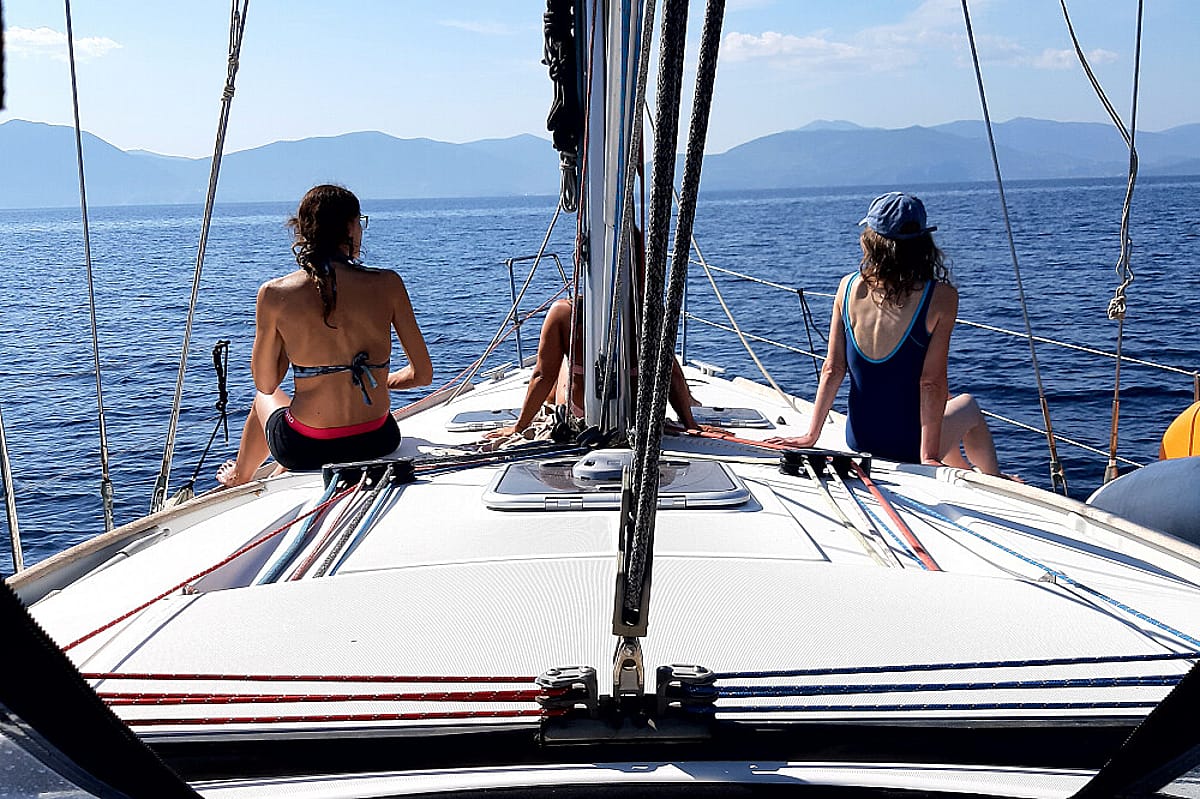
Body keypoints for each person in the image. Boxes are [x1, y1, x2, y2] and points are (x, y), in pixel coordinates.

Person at [217, 184, 432, 486]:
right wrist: (378, 378)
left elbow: (266, 384)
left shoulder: (274, 294)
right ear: (349, 227)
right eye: (360, 223)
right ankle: (274, 471)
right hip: (378, 438)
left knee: (262, 400)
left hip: (306, 448)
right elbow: (422, 375)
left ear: (302, 232)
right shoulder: (388, 284)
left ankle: (240, 475)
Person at [766, 192, 957, 465]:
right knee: (968, 408)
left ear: (871, 240)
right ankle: (993, 476)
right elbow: (931, 383)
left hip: (859, 439)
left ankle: (969, 470)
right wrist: (927, 457)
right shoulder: (942, 297)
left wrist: (810, 436)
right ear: (923, 243)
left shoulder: (847, 287)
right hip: (909, 446)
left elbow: (832, 369)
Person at [485, 295, 699, 440]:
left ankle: (550, 399)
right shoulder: (649, 308)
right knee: (664, 360)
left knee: (562, 368)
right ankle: (689, 398)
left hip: (582, 414)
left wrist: (519, 427)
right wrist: (689, 423)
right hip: (636, 413)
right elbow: (670, 372)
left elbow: (542, 375)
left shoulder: (564, 312)